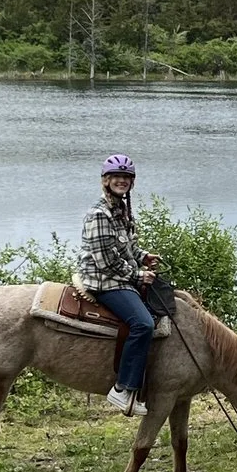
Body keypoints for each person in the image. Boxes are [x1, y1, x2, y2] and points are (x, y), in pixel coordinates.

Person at [76, 152, 160, 417]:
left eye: (126, 177)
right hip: (103, 281)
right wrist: (138, 276)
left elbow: (127, 247)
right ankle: (124, 388)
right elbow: (106, 262)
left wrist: (143, 256)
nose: (122, 181)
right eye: (117, 177)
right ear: (106, 180)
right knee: (142, 323)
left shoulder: (122, 210)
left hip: (116, 275)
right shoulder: (99, 214)